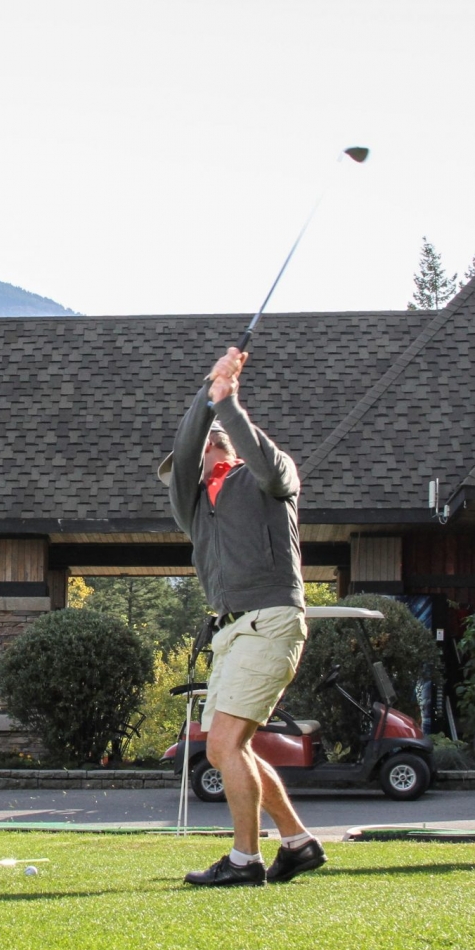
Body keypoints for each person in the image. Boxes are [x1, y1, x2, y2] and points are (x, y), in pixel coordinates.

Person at [158, 345, 323, 886]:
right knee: (235, 746)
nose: (174, 481)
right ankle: (296, 843)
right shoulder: (194, 508)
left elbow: (255, 452)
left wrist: (227, 403)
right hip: (230, 631)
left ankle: (245, 859)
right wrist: (209, 390)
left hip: (272, 618)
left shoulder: (269, 480)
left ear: (216, 450)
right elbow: (185, 448)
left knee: (225, 743)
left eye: (185, 466)